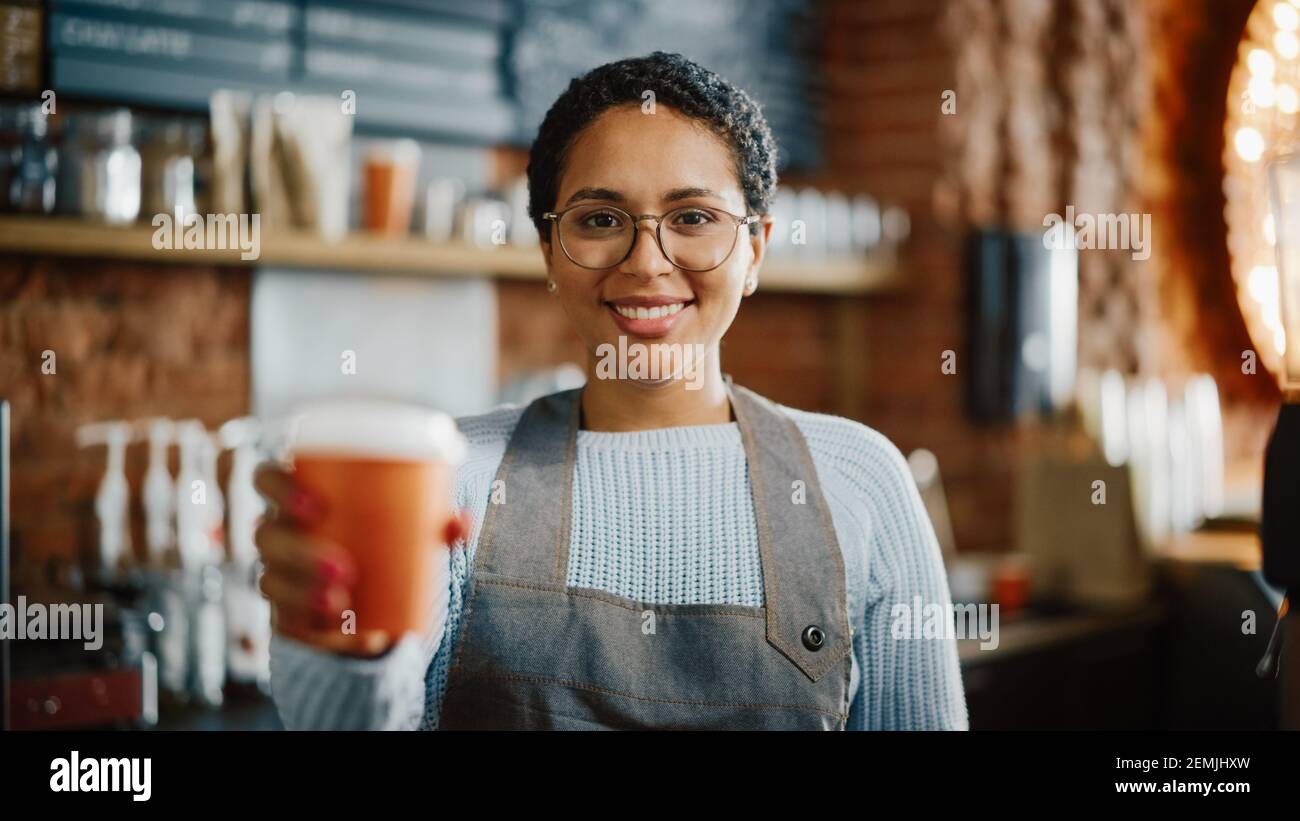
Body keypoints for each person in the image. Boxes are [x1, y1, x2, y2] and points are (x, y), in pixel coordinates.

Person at [255, 51, 967, 730]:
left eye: (692, 218)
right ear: (548, 252)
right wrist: (339, 641)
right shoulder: (451, 476)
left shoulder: (863, 480)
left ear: (754, 249)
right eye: (600, 220)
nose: (647, 262)